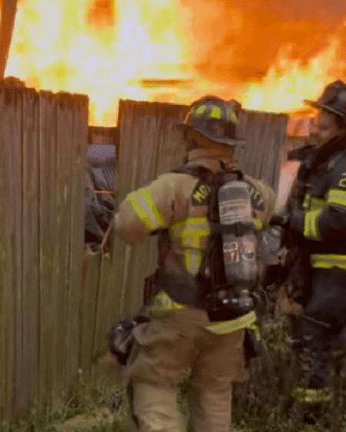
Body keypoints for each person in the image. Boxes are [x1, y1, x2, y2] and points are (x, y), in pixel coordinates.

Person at [113, 95, 276, 432]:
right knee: (215, 392)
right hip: (234, 317)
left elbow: (127, 225)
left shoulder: (175, 185)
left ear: (191, 138)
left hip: (181, 312)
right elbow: (271, 212)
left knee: (155, 381)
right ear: (230, 145)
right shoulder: (259, 192)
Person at [268, 80, 346, 424]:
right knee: (322, 332)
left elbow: (340, 221)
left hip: (341, 267)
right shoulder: (326, 162)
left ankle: (310, 415)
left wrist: (293, 221)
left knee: (313, 335)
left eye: (324, 120)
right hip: (319, 265)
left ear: (343, 125)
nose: (317, 126)